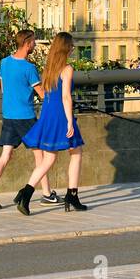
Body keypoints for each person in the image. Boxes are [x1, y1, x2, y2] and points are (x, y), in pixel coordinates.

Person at [0, 30, 58, 210]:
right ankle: (46, 194)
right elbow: (42, 94)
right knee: (41, 155)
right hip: (26, 117)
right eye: (34, 43)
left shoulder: (4, 63)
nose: (35, 45)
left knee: (5, 155)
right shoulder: (29, 68)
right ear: (28, 43)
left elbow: (4, 88)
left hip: (8, 116)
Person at [15, 31, 87, 214]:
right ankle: (72, 195)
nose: (72, 48)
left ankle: (26, 194)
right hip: (60, 115)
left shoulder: (49, 69)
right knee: (76, 152)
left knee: (48, 159)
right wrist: (70, 121)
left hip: (48, 113)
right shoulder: (67, 69)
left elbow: (48, 94)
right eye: (71, 46)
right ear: (66, 48)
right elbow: (65, 97)